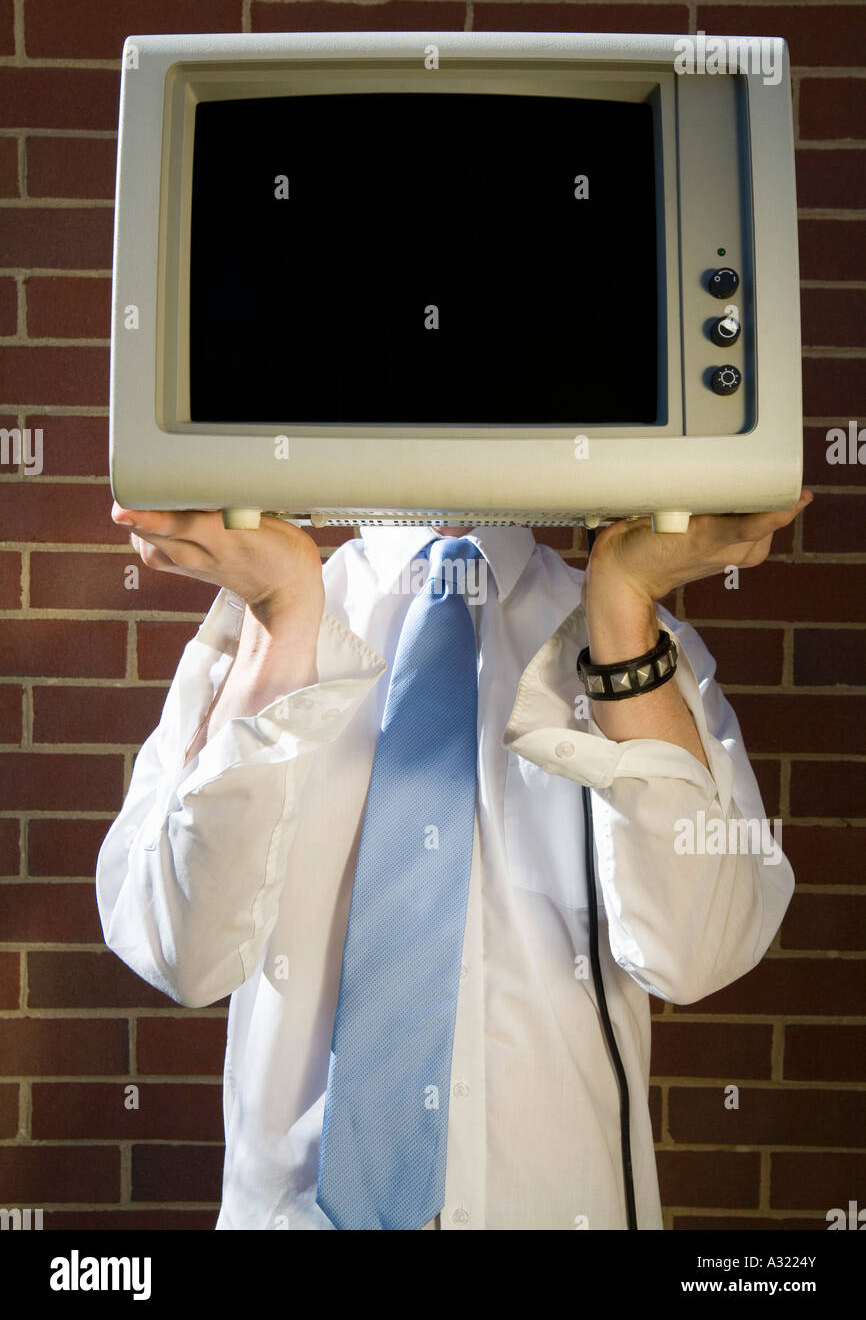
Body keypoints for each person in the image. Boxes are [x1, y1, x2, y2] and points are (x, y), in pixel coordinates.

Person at [96, 492, 812, 1230]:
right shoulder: (258, 620)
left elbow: (695, 957)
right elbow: (183, 954)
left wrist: (625, 620)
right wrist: (277, 620)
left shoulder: (634, 635)